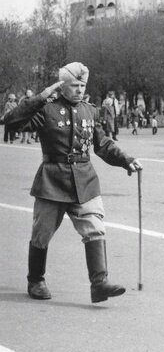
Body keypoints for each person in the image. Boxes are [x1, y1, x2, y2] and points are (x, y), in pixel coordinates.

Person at [5, 62, 143, 303]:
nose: (79, 90)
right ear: (62, 87)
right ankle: (35, 280)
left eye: (82, 85)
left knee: (95, 227)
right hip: (53, 180)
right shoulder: (46, 109)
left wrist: (126, 161)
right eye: (74, 85)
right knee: (42, 233)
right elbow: (10, 121)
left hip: (84, 179)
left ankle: (99, 284)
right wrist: (40, 98)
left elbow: (102, 144)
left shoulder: (89, 110)